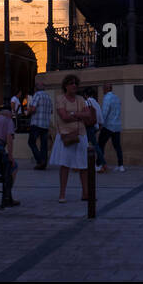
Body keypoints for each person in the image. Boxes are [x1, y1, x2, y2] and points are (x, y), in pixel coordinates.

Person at [49, 75, 91, 203]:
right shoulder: (60, 99)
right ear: (65, 86)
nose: (74, 86)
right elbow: (63, 117)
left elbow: (88, 114)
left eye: (76, 84)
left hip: (80, 134)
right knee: (65, 165)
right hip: (66, 135)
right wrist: (79, 116)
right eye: (71, 83)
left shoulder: (80, 99)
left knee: (84, 165)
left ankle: (85, 193)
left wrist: (73, 114)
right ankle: (62, 194)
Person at [98, 83, 124, 173]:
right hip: (117, 125)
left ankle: (99, 164)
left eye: (103, 88)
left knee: (100, 144)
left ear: (106, 89)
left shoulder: (107, 98)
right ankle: (121, 166)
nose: (102, 90)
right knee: (117, 146)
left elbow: (104, 112)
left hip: (108, 125)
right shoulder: (117, 98)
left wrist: (100, 123)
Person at [26, 83, 53, 171]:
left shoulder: (37, 95)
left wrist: (28, 112)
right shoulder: (48, 97)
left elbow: (33, 109)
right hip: (45, 124)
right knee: (43, 144)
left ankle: (40, 160)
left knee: (31, 142)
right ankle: (44, 162)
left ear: (35, 89)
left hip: (36, 123)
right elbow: (51, 111)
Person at [83, 87, 106, 172]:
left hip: (88, 127)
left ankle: (103, 164)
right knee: (91, 145)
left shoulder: (86, 102)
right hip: (94, 126)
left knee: (92, 146)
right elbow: (100, 116)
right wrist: (99, 126)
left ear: (85, 95)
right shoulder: (96, 103)